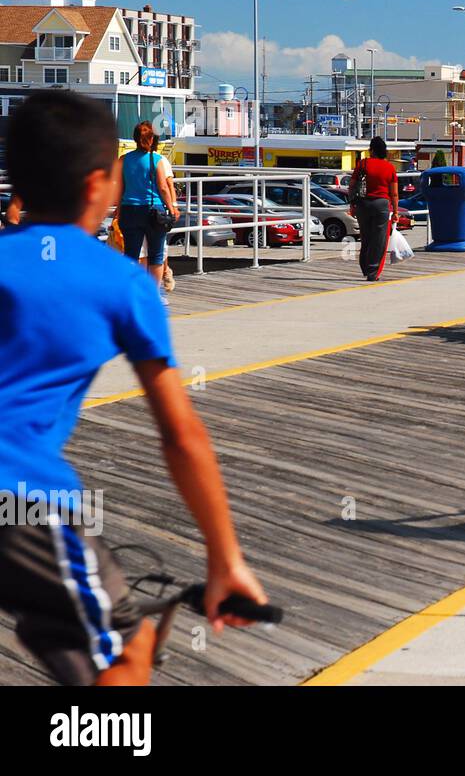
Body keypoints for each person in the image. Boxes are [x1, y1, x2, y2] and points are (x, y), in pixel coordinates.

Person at [0, 90, 267, 685]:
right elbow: (182, 434)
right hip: (17, 503)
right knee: (125, 646)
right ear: (101, 184)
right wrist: (225, 560)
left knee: (68, 633)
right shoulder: (120, 282)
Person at [115, 121, 180, 305]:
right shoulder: (156, 160)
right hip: (154, 212)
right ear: (152, 139)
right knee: (156, 254)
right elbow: (163, 187)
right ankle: (153, 295)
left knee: (131, 254)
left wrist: (119, 209)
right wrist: (172, 208)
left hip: (129, 210)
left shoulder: (123, 160)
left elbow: (120, 187)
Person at [348, 137, 399, 281]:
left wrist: (352, 205)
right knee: (379, 239)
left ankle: (364, 266)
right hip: (381, 205)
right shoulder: (389, 167)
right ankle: (372, 271)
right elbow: (394, 193)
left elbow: (352, 185)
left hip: (363, 204)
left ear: (372, 150)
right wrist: (395, 212)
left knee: (366, 237)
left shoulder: (363, 163)